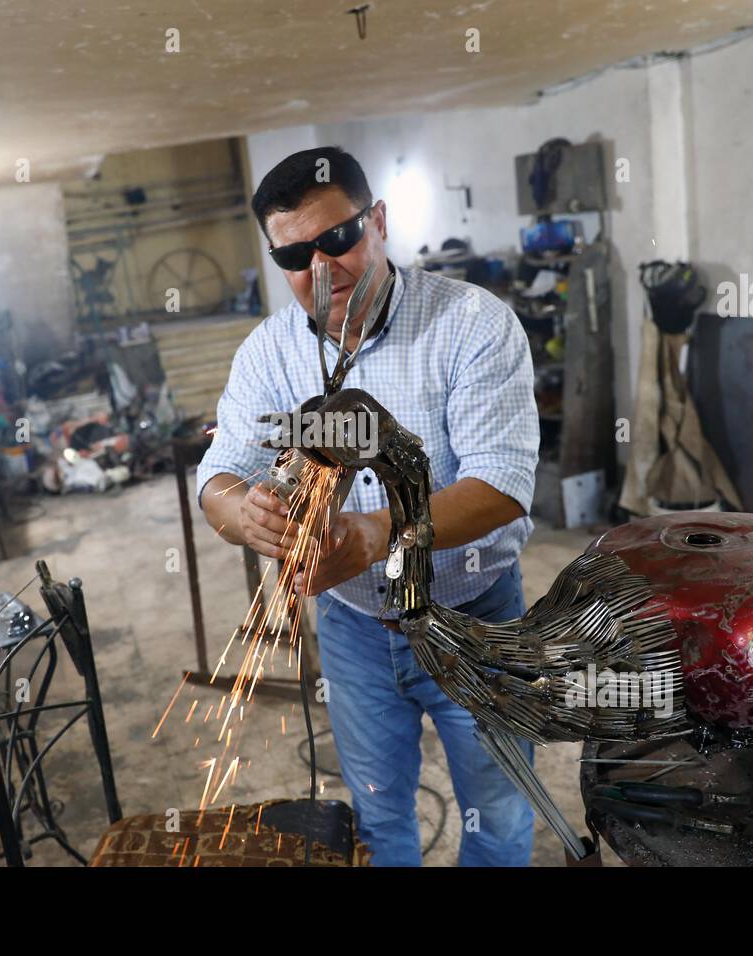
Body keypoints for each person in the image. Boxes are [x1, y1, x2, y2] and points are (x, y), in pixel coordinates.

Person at [196, 146, 540, 866]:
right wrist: (242, 515)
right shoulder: (269, 352)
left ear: (377, 222)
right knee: (380, 816)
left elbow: (502, 483)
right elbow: (220, 472)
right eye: (294, 255)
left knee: (498, 815)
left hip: (471, 615)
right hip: (354, 628)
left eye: (338, 239)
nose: (321, 270)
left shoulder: (472, 324)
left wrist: (379, 532)